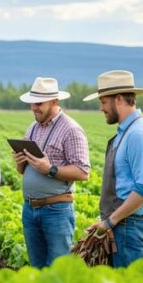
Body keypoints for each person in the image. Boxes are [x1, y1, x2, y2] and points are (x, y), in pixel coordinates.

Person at [84, 70, 143, 268]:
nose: (101, 108)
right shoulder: (126, 131)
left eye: (103, 102)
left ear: (118, 99)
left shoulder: (139, 133)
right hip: (123, 225)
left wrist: (110, 221)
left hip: (131, 227)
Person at [12, 77, 90, 268]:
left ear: (54, 101)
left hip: (56, 211)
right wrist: (20, 163)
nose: (34, 108)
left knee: (57, 268)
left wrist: (50, 169)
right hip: (30, 209)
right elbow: (24, 171)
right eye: (32, 103)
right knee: (36, 267)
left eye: (39, 103)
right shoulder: (32, 127)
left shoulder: (71, 129)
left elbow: (82, 171)